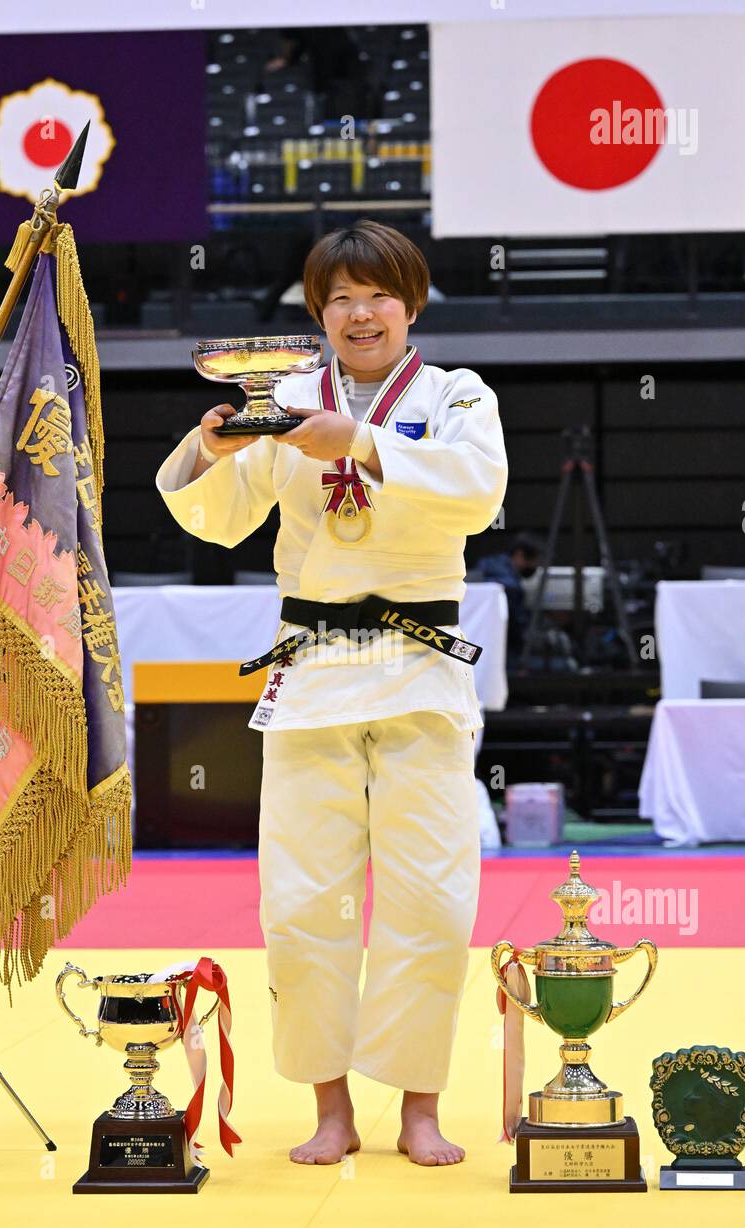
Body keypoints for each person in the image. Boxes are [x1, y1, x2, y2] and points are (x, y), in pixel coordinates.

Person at [155, 220, 507, 1166]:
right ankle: (331, 1108)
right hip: (310, 671)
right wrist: (211, 444)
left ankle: (420, 1107)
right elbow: (220, 522)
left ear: (412, 303)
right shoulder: (286, 399)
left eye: (378, 294)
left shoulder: (455, 395)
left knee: (431, 899)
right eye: (340, 297)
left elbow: (479, 492)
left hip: (420, 671)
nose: (361, 312)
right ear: (317, 313)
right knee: (305, 901)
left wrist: (364, 439)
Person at [479, 532, 543, 665]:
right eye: (533, 561)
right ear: (520, 555)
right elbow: (516, 627)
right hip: (502, 649)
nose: (535, 566)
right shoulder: (511, 587)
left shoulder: (486, 565)